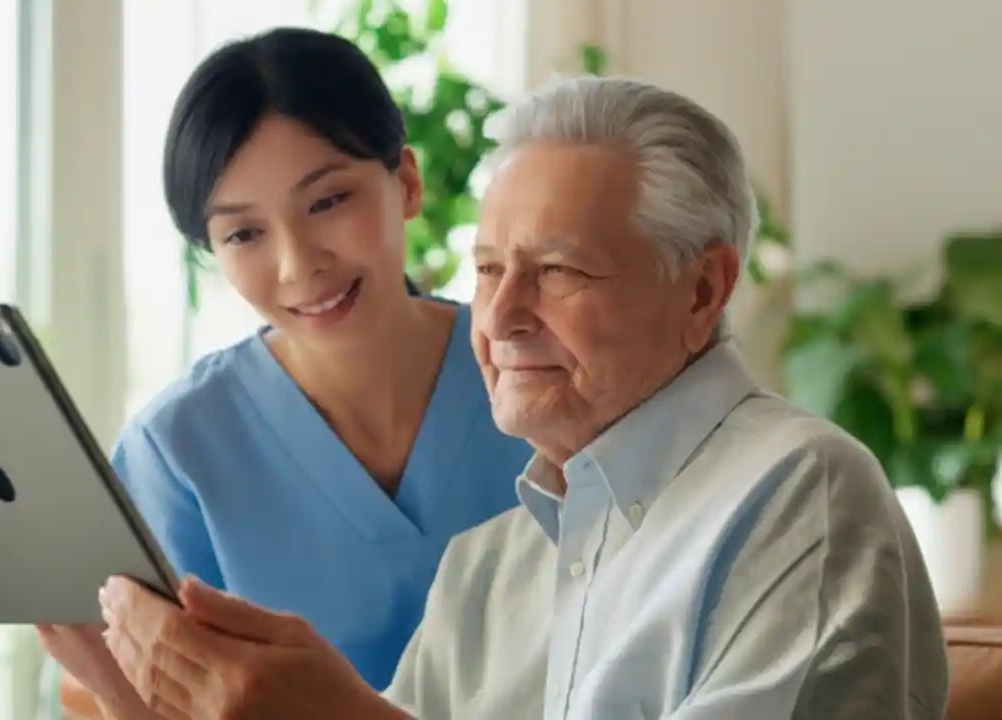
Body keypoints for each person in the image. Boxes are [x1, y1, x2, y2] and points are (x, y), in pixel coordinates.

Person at [86, 75, 951, 720]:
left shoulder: (801, 496)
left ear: (701, 292)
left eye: (558, 270)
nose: (496, 317)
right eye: (489, 269)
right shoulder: (489, 567)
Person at [36, 26, 534, 719]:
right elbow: (100, 691)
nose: (299, 265)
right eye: (244, 234)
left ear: (407, 183)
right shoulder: (178, 453)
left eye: (329, 201)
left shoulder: (540, 379)